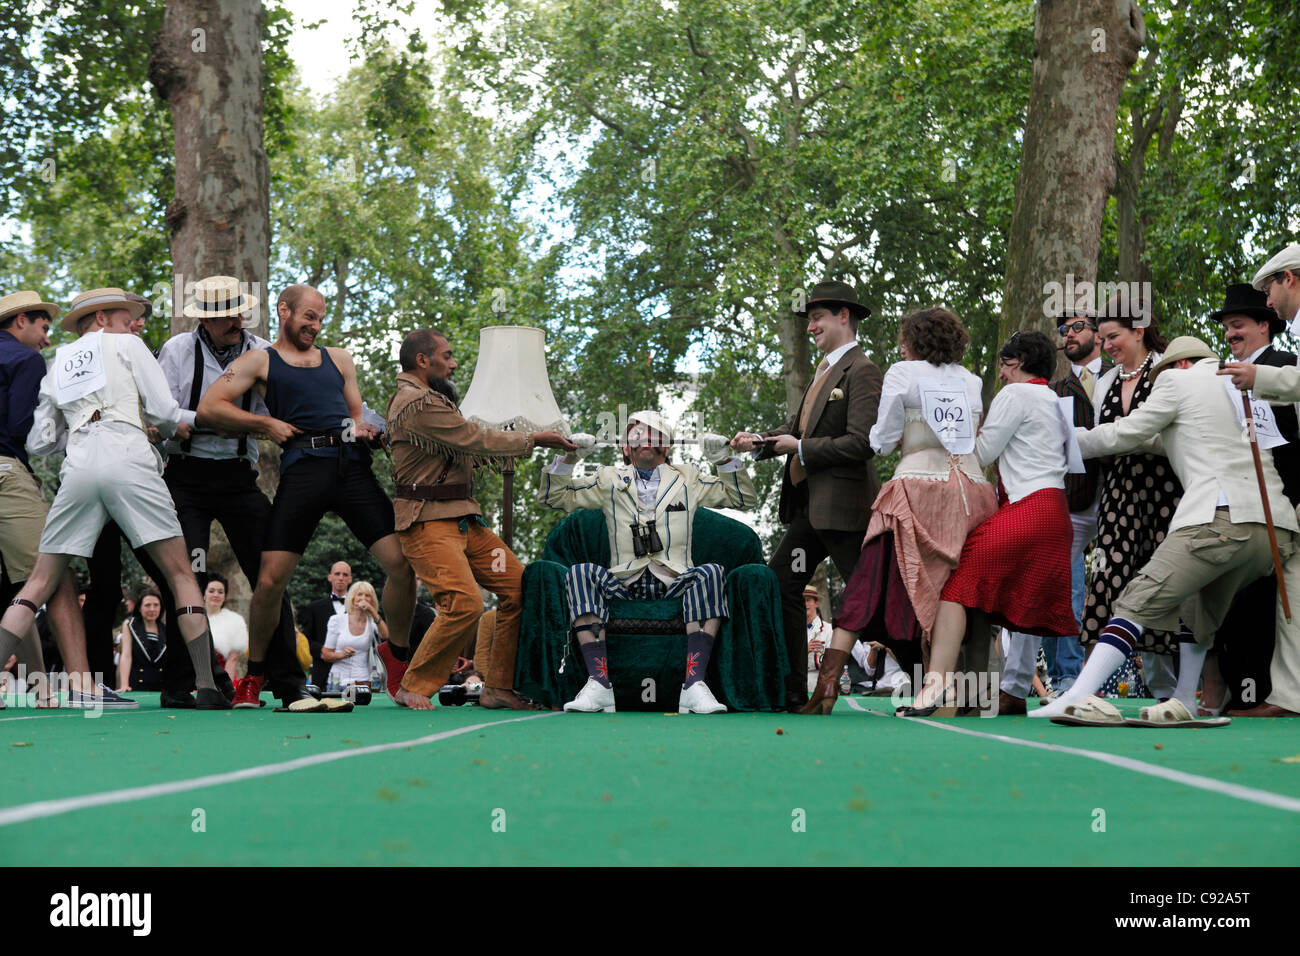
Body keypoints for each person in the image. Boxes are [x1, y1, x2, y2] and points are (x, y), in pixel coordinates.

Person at [1037, 337, 1300, 724]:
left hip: (1219, 518)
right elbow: (1167, 441)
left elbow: (1129, 431)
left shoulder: (1179, 382)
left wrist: (1069, 442)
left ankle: (1076, 696)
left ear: (1178, 366)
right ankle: (1184, 702)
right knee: (1199, 612)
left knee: (1137, 599)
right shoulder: (1238, 388)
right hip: (1275, 531)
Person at [0, 288, 227, 708]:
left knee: (38, 583)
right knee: (180, 575)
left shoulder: (57, 362)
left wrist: (80, 426)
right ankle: (207, 685)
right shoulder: (127, 345)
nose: (134, 325)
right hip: (129, 456)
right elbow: (163, 410)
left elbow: (38, 440)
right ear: (103, 318)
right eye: (128, 318)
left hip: (80, 465)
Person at [197, 283, 416, 708]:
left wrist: (369, 430)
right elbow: (210, 408)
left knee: (403, 564)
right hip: (302, 470)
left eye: (320, 318)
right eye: (308, 317)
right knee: (269, 580)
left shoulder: (340, 359)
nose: (314, 325)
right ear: (284, 312)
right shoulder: (260, 360)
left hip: (351, 469)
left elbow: (356, 415)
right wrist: (265, 426)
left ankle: (398, 657)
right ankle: (253, 676)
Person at [804, 307, 996, 714]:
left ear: (911, 342)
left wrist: (881, 437)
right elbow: (973, 439)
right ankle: (958, 690)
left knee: (869, 579)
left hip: (919, 490)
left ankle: (828, 684)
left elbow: (882, 439)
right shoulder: (972, 380)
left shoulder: (902, 373)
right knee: (956, 592)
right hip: (976, 492)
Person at [381, 328, 574, 710]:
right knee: (465, 602)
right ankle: (413, 684)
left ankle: (498, 687)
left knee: (519, 587)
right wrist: (532, 439)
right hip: (428, 523)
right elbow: (470, 438)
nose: (453, 364)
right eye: (448, 356)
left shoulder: (435, 400)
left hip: (467, 522)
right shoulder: (415, 403)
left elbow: (468, 444)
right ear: (423, 360)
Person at [153, 275, 315, 709]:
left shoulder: (262, 351)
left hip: (239, 480)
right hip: (186, 477)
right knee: (188, 578)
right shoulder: (177, 351)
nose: (236, 321)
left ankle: (288, 683)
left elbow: (278, 409)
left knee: (270, 575)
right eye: (226, 315)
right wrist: (202, 418)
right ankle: (184, 684)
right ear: (206, 319)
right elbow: (161, 412)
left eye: (239, 311)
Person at [901, 330, 1077, 716]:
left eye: (1003, 364)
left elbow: (981, 453)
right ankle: (976, 694)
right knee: (981, 592)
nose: (999, 374)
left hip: (1027, 508)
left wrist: (939, 436)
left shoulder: (1015, 394)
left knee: (957, 587)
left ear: (1015, 363)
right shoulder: (1054, 398)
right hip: (1056, 513)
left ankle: (935, 688)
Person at [731, 280, 883, 711]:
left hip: (845, 510)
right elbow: (798, 429)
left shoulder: (864, 370)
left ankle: (934, 677)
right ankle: (795, 687)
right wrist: (760, 439)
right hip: (810, 510)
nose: (811, 326)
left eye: (817, 317)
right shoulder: (823, 372)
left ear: (844, 317)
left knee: (871, 598)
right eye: (809, 319)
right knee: (782, 581)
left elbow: (862, 443)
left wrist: (799, 449)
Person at [543, 410, 758, 713]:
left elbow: (742, 499)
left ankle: (693, 685)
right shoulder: (608, 479)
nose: (644, 440)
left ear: (667, 447)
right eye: (635, 435)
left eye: (654, 434)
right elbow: (554, 498)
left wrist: (724, 460)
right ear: (625, 448)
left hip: (675, 582)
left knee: (711, 573)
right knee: (580, 574)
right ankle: (599, 684)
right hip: (622, 583)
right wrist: (569, 459)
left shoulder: (689, 478)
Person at [1000, 311, 1107, 713]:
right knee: (1041, 583)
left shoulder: (1122, 377)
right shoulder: (1052, 390)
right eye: (1063, 330)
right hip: (1071, 502)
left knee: (1142, 588)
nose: (1069, 334)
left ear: (1099, 334)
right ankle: (1020, 687)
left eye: (1078, 326)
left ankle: (1168, 688)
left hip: (1124, 498)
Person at [1077, 307, 1184, 701]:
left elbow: (1166, 437)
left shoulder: (1167, 372)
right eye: (1102, 338)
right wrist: (1114, 439)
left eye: (1112, 337)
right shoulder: (1104, 382)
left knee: (1159, 586)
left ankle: (1166, 692)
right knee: (1106, 583)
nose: (1105, 346)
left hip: (1164, 495)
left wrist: (1115, 437)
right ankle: (1089, 693)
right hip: (1117, 496)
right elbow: (1103, 439)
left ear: (1138, 330)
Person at [0, 290, 96, 708]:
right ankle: (75, 684)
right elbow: (24, 427)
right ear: (20, 320)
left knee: (17, 587)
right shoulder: (26, 361)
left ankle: (41, 690)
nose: (45, 338)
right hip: (5, 474)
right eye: (42, 326)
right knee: (48, 574)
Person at [1216, 243, 1300, 716]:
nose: (1268, 300)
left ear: (1289, 278)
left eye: (1269, 288)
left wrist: (1261, 379)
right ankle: (1287, 698)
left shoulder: (1280, 358)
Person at [321, 581, 385, 693]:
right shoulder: (337, 620)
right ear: (352, 599)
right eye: (359, 594)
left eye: (367, 595)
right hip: (339, 682)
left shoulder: (372, 622)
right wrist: (341, 654)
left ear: (372, 600)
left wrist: (373, 612)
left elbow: (385, 636)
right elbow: (325, 654)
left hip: (363, 682)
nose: (363, 598)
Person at [297, 560, 351, 690]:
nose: (340, 578)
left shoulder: (359, 608)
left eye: (345, 574)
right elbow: (306, 640)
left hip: (352, 674)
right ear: (330, 577)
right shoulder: (314, 608)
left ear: (350, 579)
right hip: (321, 674)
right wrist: (324, 651)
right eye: (337, 574)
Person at [116, 588, 166, 692]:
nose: (152, 609)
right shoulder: (130, 625)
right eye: (147, 605)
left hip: (161, 687)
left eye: (156, 605)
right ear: (139, 607)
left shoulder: (166, 628)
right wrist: (124, 684)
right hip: (137, 685)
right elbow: (126, 655)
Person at [203, 574, 248, 683]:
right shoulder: (192, 620)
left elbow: (233, 659)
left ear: (225, 596)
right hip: (194, 681)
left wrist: (226, 688)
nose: (216, 595)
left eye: (220, 592)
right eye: (211, 591)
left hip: (224, 679)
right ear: (203, 594)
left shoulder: (234, 620)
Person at [804, 586, 833, 696]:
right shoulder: (791, 630)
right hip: (795, 684)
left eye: (808, 600)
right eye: (802, 601)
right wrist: (804, 651)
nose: (805, 604)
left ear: (816, 603)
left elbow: (832, 664)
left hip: (819, 682)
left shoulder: (829, 630)